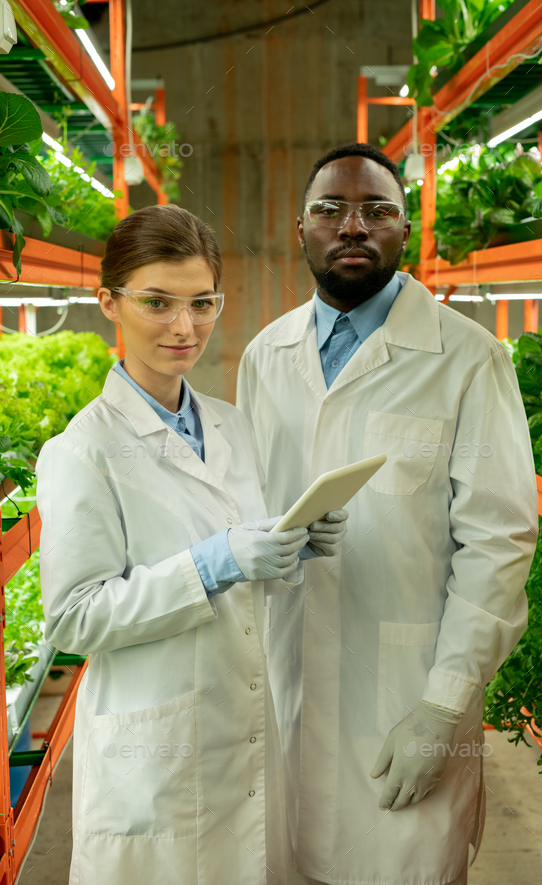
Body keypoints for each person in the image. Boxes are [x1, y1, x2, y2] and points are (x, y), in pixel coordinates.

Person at [236, 143, 538, 885]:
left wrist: (442, 710)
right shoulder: (264, 357)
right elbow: (244, 510)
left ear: (407, 232)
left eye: (378, 209)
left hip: (407, 694)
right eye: (330, 210)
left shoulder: (468, 359)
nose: (352, 226)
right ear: (298, 229)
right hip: (286, 683)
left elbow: (498, 544)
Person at [35, 204, 348, 885]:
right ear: (108, 302)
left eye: (202, 303)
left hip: (239, 732)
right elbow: (73, 616)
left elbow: (246, 562)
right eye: (158, 302)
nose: (185, 327)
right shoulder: (82, 451)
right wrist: (213, 562)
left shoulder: (232, 424)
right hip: (152, 756)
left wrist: (293, 543)